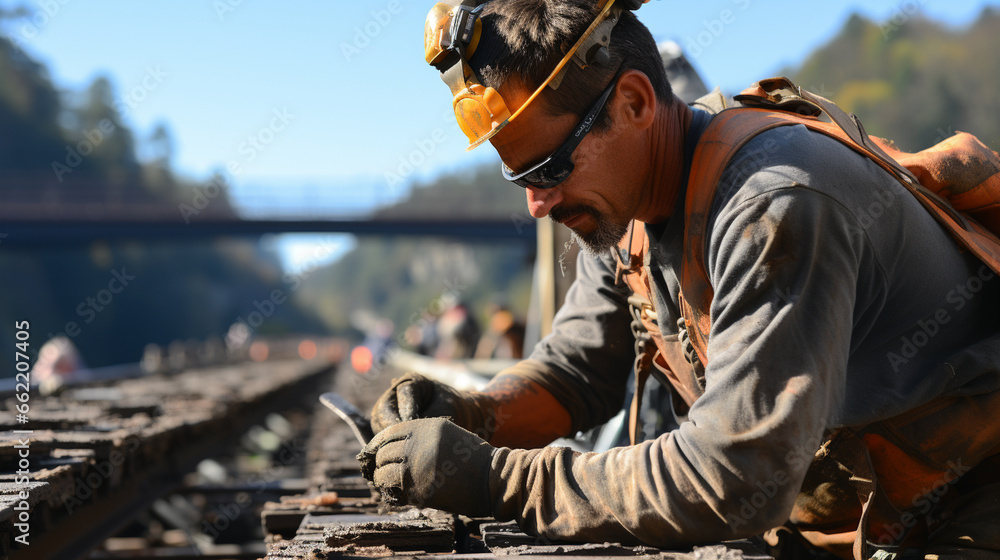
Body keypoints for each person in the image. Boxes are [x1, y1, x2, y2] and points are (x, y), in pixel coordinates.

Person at [358, 1, 1000, 558]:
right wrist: (471, 416)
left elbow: (739, 476)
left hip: (969, 503)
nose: (538, 203)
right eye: (521, 177)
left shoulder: (771, 205)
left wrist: (500, 481)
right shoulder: (624, 206)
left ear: (634, 102)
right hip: (849, 516)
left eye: (550, 166)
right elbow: (578, 372)